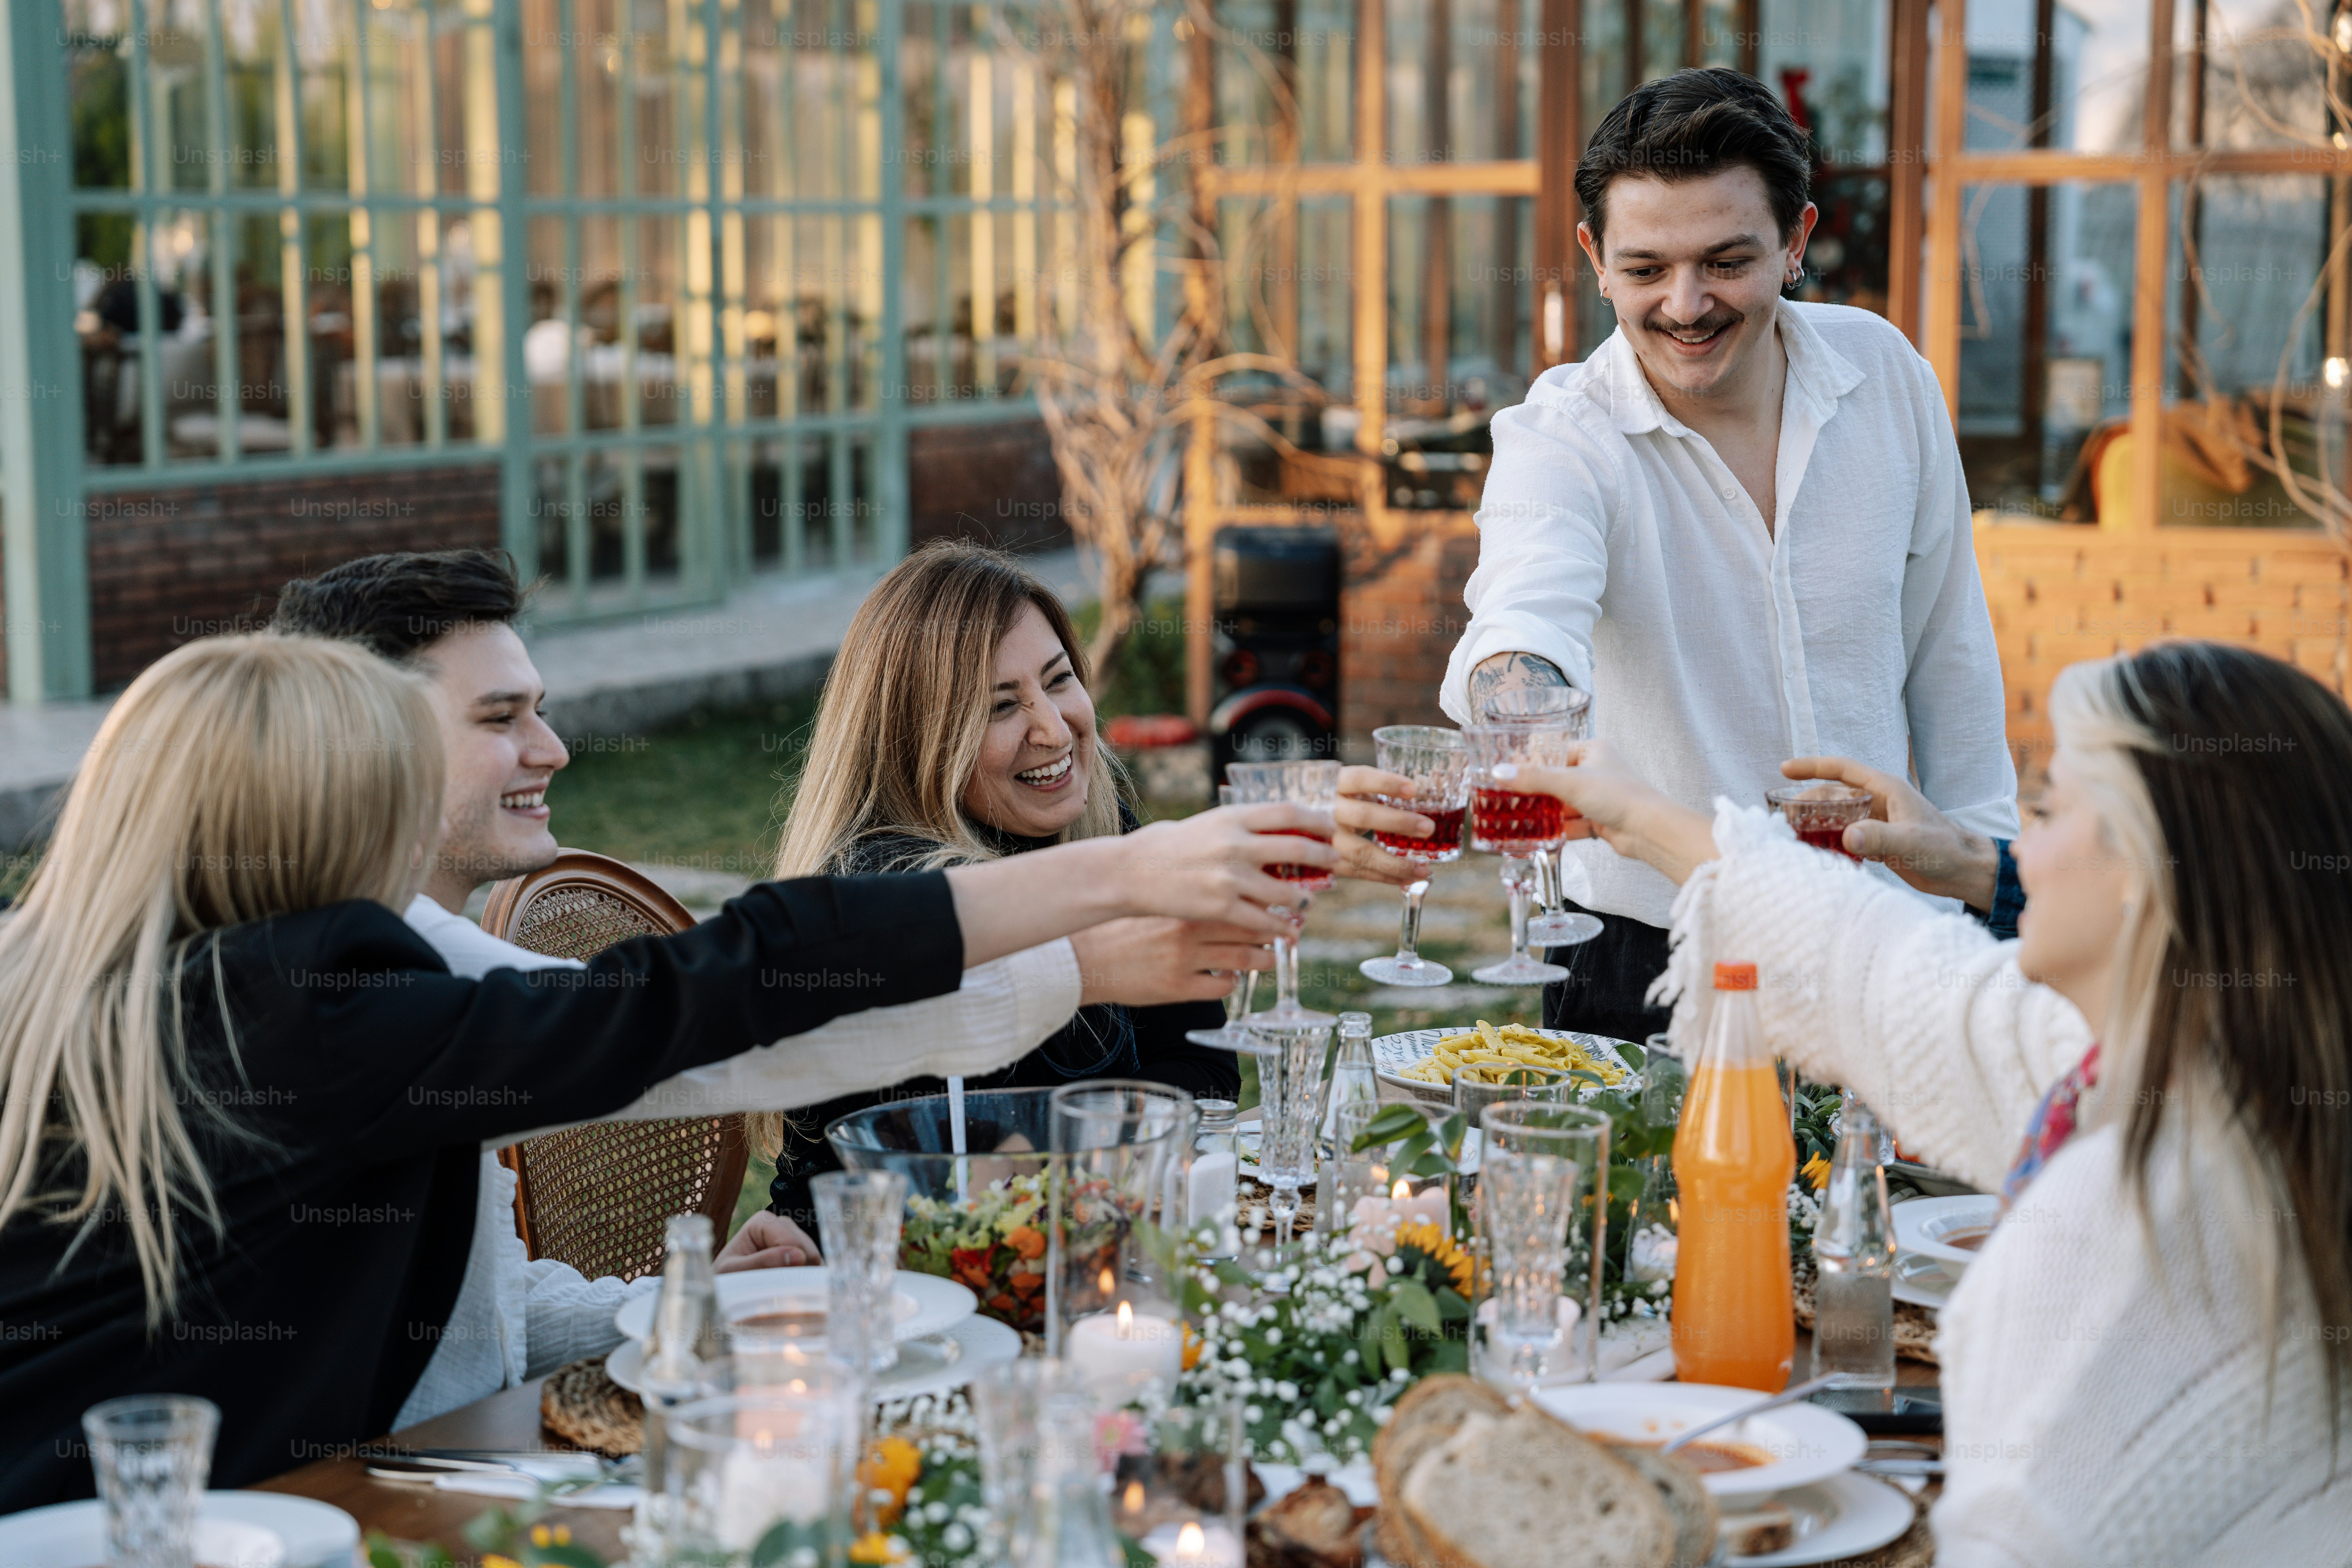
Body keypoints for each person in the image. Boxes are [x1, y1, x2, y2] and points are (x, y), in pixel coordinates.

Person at [0, 633, 1331, 1506]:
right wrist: (1116, 877)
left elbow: (686, 1026)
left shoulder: (119, 980)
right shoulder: (297, 1011)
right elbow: (710, 994)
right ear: (313, 825)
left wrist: (1080, 966)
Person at [268, 550, 1250, 1426]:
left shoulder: (420, 952)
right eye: (500, 718)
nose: (554, 748)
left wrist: (675, 1308)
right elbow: (716, 1009)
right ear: (371, 748)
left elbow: (487, 1300)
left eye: (541, 708)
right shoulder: (331, 985)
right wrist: (1101, 925)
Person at [1500, 640, 2352, 1564]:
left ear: (2143, 871)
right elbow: (1893, 974)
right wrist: (1641, 817)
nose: (2018, 846)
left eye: (2049, 808)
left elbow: (2009, 1543)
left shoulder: (2115, 1220)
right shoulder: (2216, 1083)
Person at [1436, 66, 2016, 1042]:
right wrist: (1521, 708)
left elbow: (1952, 660)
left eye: (1726, 261)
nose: (1686, 304)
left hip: (1890, 935)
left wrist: (1992, 886)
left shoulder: (1887, 378)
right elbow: (1524, 615)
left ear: (1795, 242)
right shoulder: (1563, 437)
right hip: (1648, 959)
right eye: (1647, 268)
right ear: (1594, 257)